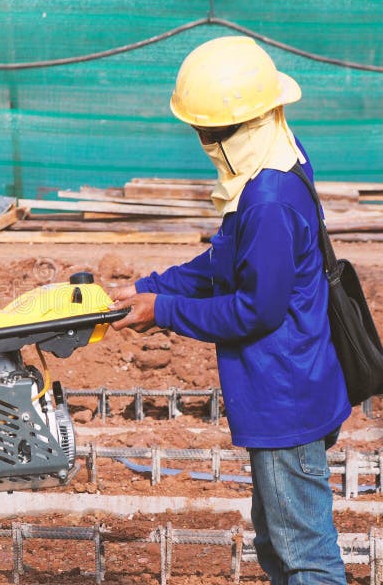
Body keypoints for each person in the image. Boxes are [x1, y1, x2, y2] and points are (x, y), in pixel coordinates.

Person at [110, 36, 350, 583]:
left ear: (232, 132)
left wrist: (162, 311)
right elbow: (227, 260)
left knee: (305, 556)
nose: (201, 143)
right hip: (293, 386)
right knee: (279, 540)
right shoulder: (279, 161)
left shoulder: (266, 202)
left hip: (284, 399)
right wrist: (150, 286)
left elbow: (254, 312)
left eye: (206, 133)